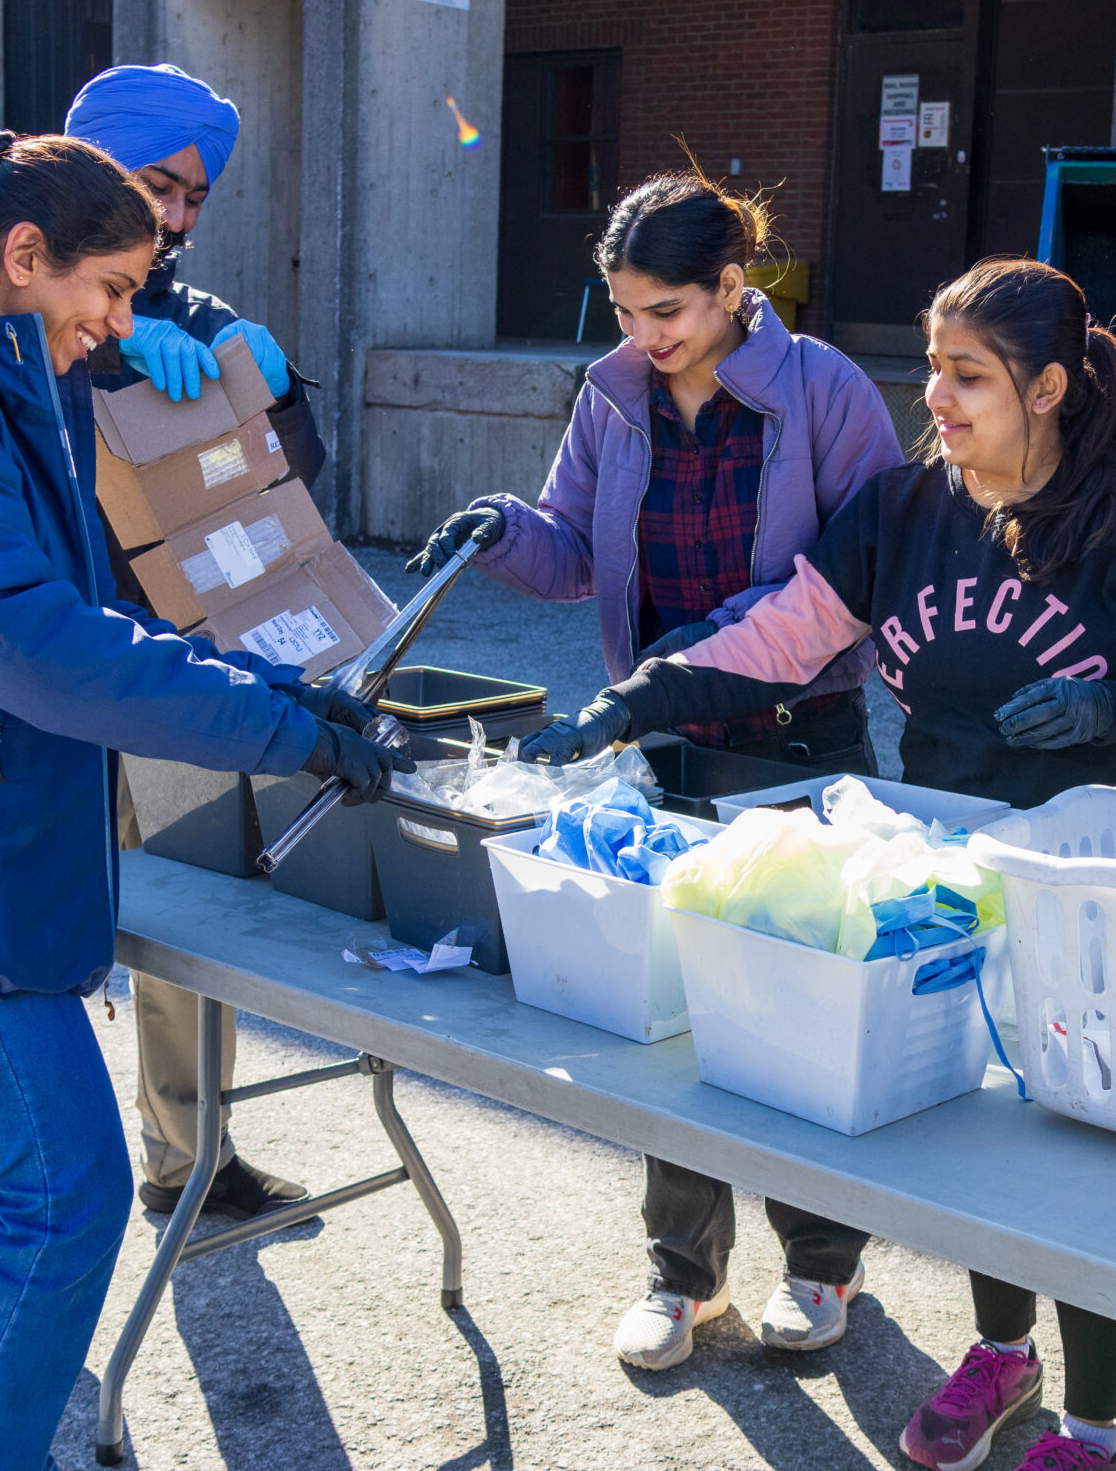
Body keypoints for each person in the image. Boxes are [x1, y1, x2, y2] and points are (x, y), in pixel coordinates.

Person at [0, 128, 411, 1471]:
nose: (122, 321)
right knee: (68, 1194)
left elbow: (93, 608)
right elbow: (34, 647)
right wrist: (277, 730)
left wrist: (268, 681)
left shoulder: (5, 368)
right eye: (111, 287)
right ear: (22, 255)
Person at [522, 257, 1116, 1471]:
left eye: (968, 378)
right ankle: (1002, 1352)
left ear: (1049, 386)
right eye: (932, 371)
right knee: (978, 1136)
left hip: (1101, 885)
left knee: (1086, 1154)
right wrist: (629, 704)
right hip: (948, 865)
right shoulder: (905, 511)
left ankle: (1096, 1428)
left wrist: (1111, 709)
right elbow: (784, 635)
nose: (935, 400)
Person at [408, 171, 906, 1371]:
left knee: (797, 1012)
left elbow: (858, 577)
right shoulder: (613, 393)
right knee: (665, 1014)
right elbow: (573, 550)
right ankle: (684, 1274)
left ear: (734, 288)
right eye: (624, 311)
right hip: (660, 742)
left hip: (797, 737)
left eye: (667, 311)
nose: (645, 336)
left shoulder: (825, 389)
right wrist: (496, 533)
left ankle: (821, 1265)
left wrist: (706, 641)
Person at [64, 63, 325, 1223]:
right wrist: (117, 364)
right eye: (154, 184)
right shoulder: (12, 312)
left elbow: (288, 475)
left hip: (171, 662)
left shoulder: (192, 309)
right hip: (47, 672)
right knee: (39, 927)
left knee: (180, 917)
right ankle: (39, 1174)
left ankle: (189, 1158)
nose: (171, 217)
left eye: (192, 198)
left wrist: (271, 382)